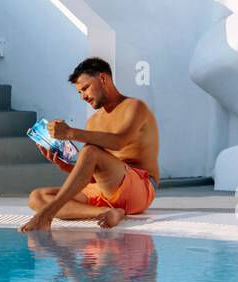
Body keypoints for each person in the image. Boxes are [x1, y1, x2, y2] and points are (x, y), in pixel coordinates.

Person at [21, 57, 160, 233]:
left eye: (85, 88)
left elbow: (119, 141)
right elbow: (93, 176)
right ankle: (106, 212)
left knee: (90, 151)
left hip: (140, 188)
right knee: (37, 197)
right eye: (79, 92)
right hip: (106, 190)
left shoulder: (135, 107)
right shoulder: (93, 122)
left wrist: (71, 133)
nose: (83, 96)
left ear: (103, 79)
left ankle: (47, 214)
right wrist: (65, 166)